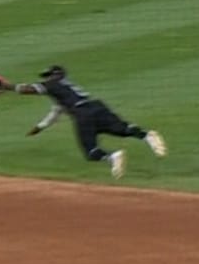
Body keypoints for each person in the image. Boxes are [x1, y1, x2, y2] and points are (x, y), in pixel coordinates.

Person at [10, 65, 166, 179]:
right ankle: (147, 136)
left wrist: (7, 87)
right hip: (96, 106)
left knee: (91, 152)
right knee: (123, 129)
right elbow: (53, 115)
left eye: (47, 76)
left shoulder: (53, 85)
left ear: (55, 75)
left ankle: (113, 156)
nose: (45, 79)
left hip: (83, 114)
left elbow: (29, 89)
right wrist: (38, 128)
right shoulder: (68, 90)